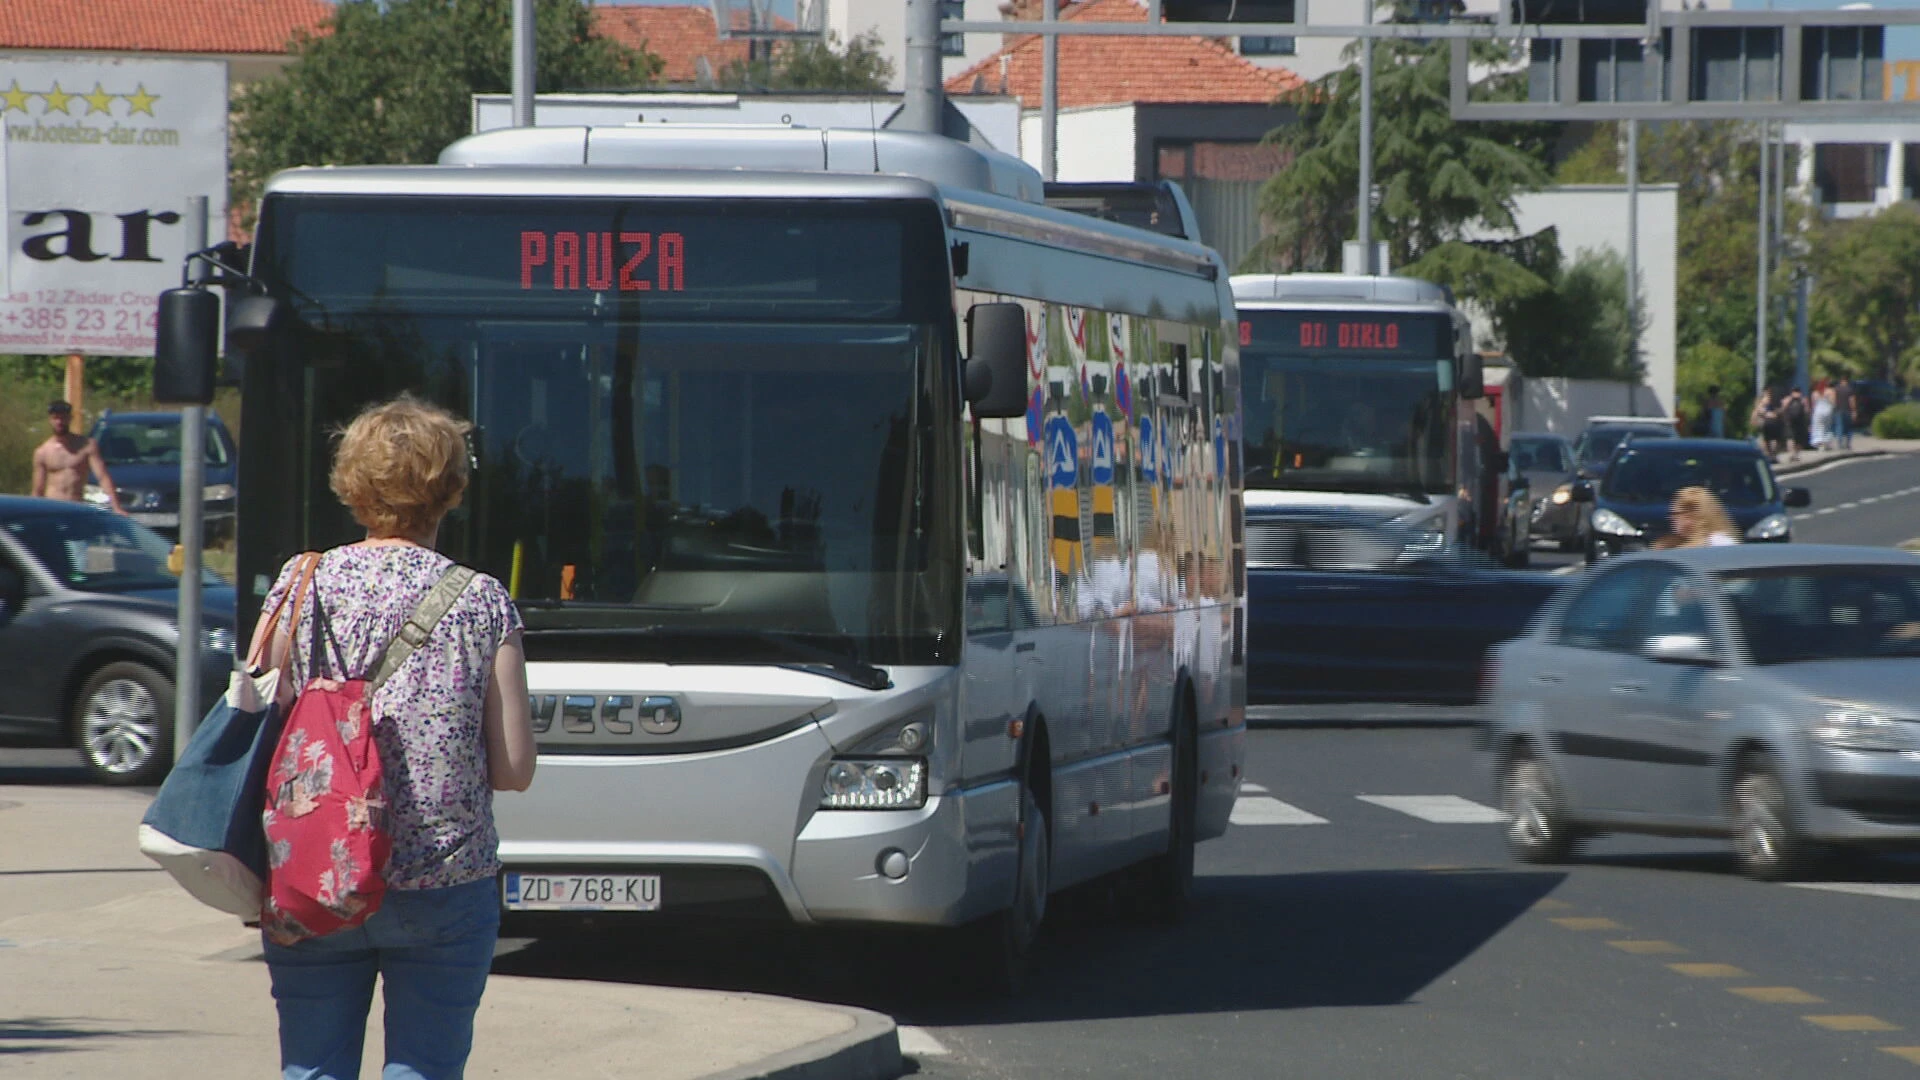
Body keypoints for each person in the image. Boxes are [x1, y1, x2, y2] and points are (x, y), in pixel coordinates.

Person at [245, 394, 536, 1080]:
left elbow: (256, 711)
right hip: (444, 876)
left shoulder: (301, 581)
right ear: (453, 489)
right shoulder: (481, 598)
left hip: (312, 866)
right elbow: (514, 769)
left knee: (311, 1067)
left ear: (351, 485)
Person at [29, 400, 122, 512]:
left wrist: (116, 507)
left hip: (76, 508)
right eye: (56, 418)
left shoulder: (86, 446)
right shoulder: (43, 452)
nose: (59, 422)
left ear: (70, 418)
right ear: (50, 420)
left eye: (63, 418)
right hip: (52, 509)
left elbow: (103, 477)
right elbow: (38, 489)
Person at [1654, 485, 1739, 549]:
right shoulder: (1667, 544)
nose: (1671, 518)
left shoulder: (1720, 544)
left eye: (1675, 514)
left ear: (1692, 515)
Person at [1811, 379, 1836, 450]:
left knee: (1818, 427)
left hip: (1818, 411)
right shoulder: (1830, 391)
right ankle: (1826, 443)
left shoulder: (1815, 393)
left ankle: (1820, 444)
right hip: (1828, 410)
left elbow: (1813, 404)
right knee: (1827, 427)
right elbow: (1833, 402)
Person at [1833, 374, 1856, 451]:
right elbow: (1852, 401)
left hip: (1838, 410)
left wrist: (1834, 408)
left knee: (1839, 427)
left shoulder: (1836, 389)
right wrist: (1854, 411)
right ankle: (1848, 444)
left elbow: (1834, 400)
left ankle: (1839, 444)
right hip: (1847, 410)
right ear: (1847, 381)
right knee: (1849, 428)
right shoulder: (1849, 389)